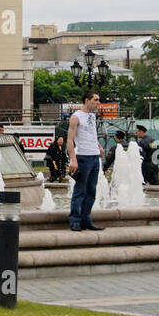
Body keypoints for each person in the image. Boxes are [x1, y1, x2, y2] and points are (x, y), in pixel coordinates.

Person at [67, 92, 105, 232]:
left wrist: (98, 146)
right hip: (82, 157)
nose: (98, 103)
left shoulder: (92, 116)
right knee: (80, 191)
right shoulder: (76, 117)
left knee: (91, 191)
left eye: (98, 100)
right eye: (96, 100)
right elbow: (70, 140)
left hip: (94, 157)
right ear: (87, 100)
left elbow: (91, 134)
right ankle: (75, 220)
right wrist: (73, 159)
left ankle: (86, 219)